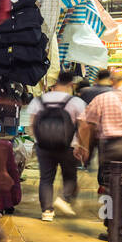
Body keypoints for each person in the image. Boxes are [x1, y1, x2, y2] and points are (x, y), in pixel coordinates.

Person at [80, 66, 122, 241]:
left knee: (110, 190)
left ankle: (114, 231)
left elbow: (87, 125)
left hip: (112, 147)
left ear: (113, 82)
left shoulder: (103, 98)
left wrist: (86, 148)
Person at [26, 71, 86, 221]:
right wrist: (81, 144)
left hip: (44, 146)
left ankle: (46, 211)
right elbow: (83, 126)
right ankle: (64, 199)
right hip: (68, 146)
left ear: (55, 83)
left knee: (46, 178)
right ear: (71, 85)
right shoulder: (75, 101)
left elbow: (32, 125)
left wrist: (39, 140)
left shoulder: (38, 100)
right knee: (70, 176)